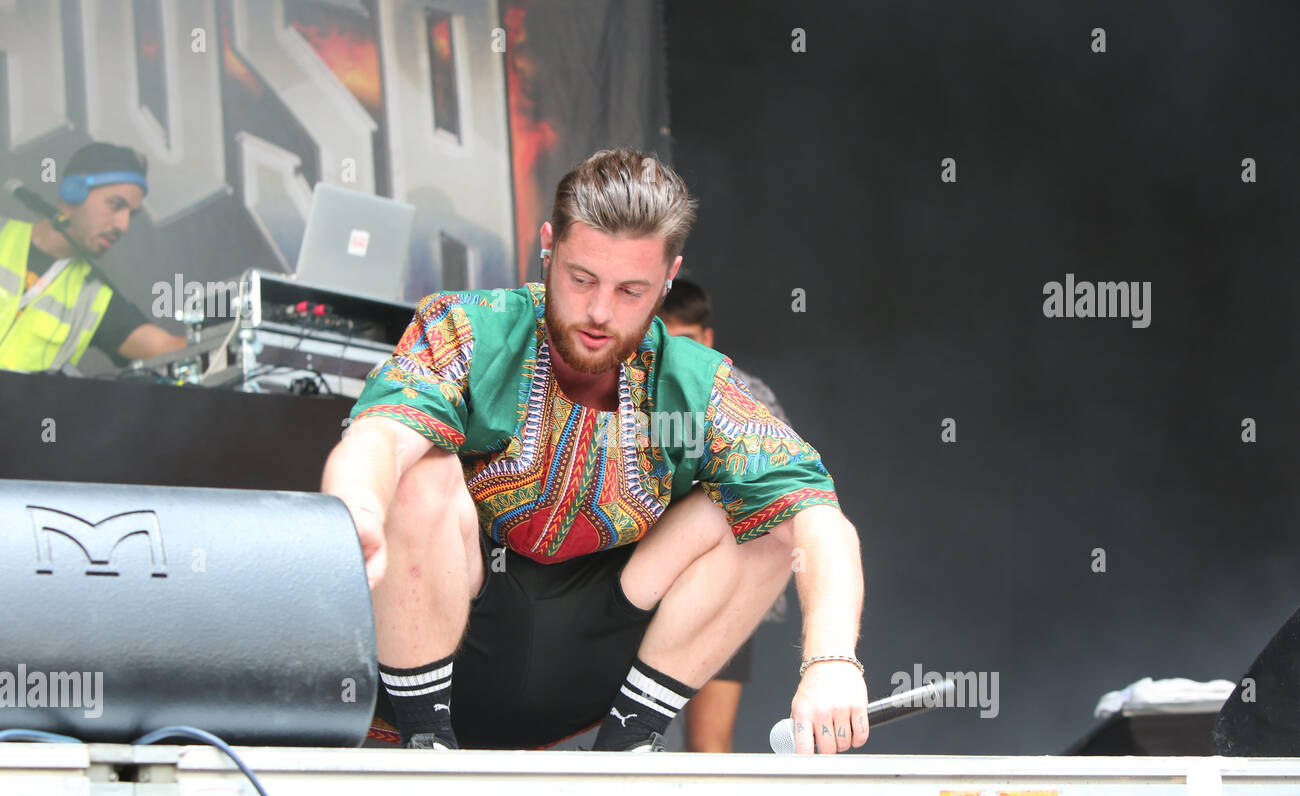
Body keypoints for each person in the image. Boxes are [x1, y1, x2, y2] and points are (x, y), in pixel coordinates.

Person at [322, 147, 868, 755]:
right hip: (456, 644)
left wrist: (831, 661)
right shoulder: (468, 330)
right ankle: (428, 744)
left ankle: (628, 745)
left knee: (765, 522)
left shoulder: (696, 386)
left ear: (668, 278)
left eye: (631, 290)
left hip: (593, 656)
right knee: (418, 471)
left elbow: (822, 522)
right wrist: (361, 512)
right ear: (549, 246)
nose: (599, 312)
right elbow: (376, 436)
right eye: (582, 279)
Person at [658, 277, 791, 753]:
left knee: (709, 748)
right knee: (628, 743)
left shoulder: (746, 395)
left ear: (708, 339)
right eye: (663, 337)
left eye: (688, 340)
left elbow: (783, 497)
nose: (676, 353)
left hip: (726, 591)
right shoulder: (624, 392)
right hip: (640, 590)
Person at [0, 142, 186, 372]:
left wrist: (239, 330)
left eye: (132, 214)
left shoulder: (96, 298)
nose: (124, 225)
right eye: (116, 205)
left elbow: (168, 349)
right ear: (73, 191)